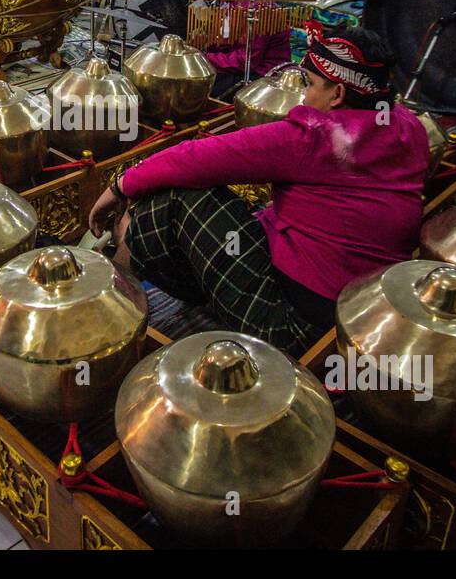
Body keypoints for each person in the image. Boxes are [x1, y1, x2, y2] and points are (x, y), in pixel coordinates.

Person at [86, 23, 428, 357]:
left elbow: (193, 158)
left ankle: (115, 313)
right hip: (363, 320)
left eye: (309, 85)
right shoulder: (409, 128)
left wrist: (119, 186)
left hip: (295, 330)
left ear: (338, 94)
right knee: (240, 212)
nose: (304, 96)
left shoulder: (317, 139)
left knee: (174, 200)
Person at [196, 0, 290, 97]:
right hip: (237, 64)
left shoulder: (257, 7)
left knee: (200, 89)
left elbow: (245, 61)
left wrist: (204, 58)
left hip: (263, 76)